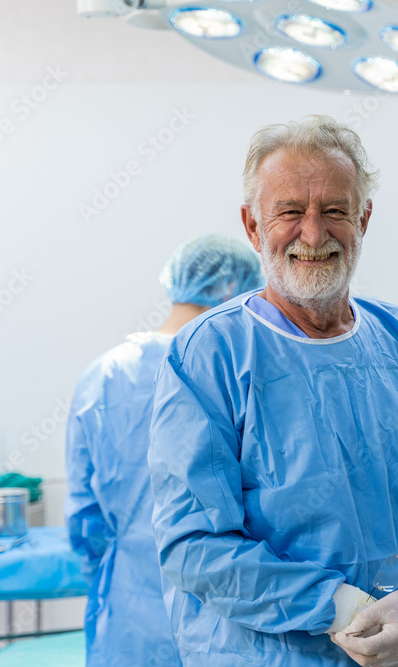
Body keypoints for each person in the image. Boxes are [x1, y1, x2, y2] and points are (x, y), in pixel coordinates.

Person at [147, 116, 398, 667]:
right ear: (253, 227)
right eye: (288, 212)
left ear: (364, 219)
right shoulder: (210, 356)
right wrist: (347, 608)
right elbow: (196, 545)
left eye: (334, 211)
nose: (312, 233)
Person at [64, 234, 264, 667]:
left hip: (130, 614)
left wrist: (111, 577)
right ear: (235, 290)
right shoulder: (236, 371)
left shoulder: (104, 376)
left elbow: (83, 516)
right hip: (223, 614)